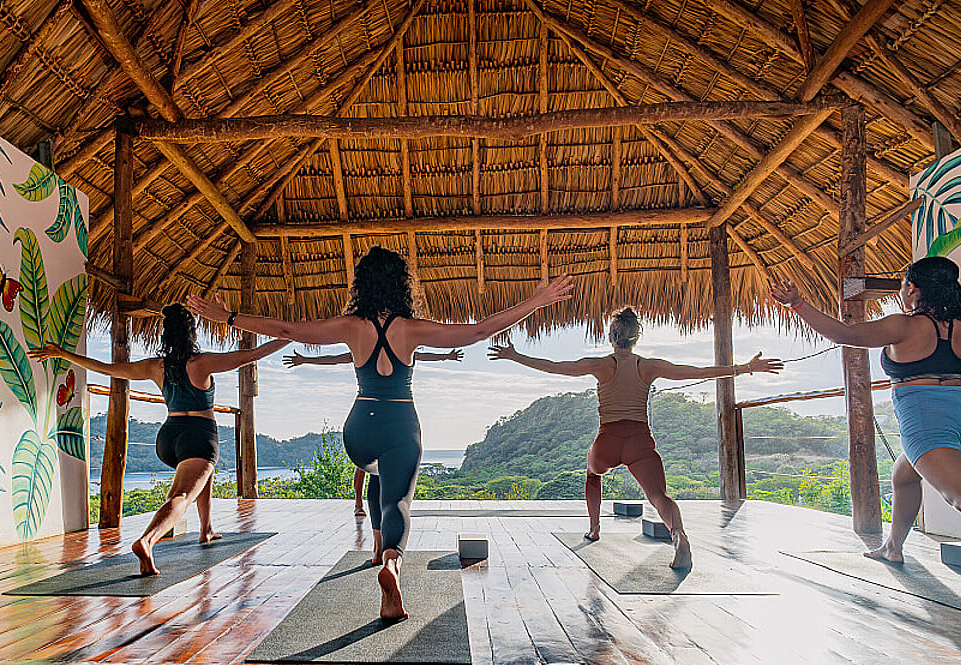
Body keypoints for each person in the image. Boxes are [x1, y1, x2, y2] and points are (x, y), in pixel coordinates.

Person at [188, 247, 573, 619]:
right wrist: (536, 301)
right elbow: (479, 331)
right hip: (400, 424)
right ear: (401, 285)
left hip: (360, 430)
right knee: (398, 502)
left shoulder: (351, 326)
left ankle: (376, 546)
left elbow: (288, 329)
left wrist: (228, 317)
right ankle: (391, 563)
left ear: (363, 285)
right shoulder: (412, 328)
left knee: (375, 473)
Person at [771, 258, 961, 609]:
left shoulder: (903, 325)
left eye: (903, 285)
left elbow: (845, 335)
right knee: (904, 475)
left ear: (912, 287)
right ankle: (893, 547)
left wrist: (797, 303)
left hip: (927, 420)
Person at [489, 308, 782, 568]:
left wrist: (515, 356)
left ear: (611, 337)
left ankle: (594, 529)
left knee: (592, 473)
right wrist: (745, 368)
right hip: (640, 441)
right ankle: (678, 535)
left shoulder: (600, 365)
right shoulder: (649, 366)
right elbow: (697, 372)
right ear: (636, 338)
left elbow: (556, 367)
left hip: (608, 440)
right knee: (659, 496)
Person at [30, 304, 288, 576]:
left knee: (202, 474)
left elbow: (109, 369)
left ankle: (206, 528)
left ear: (166, 334)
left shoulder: (156, 366)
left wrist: (64, 354)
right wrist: (289, 336)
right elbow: (253, 355)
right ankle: (147, 540)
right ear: (191, 333)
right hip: (199, 434)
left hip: (169, 436)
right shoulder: (201, 363)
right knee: (182, 496)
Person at [282, 348, 464, 519]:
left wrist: (447, 356)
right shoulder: (365, 351)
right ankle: (359, 503)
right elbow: (335, 359)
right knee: (363, 466)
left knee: (388, 467)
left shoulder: (402, 352)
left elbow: (424, 355)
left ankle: (388, 509)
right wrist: (305, 359)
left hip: (394, 414)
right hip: (370, 411)